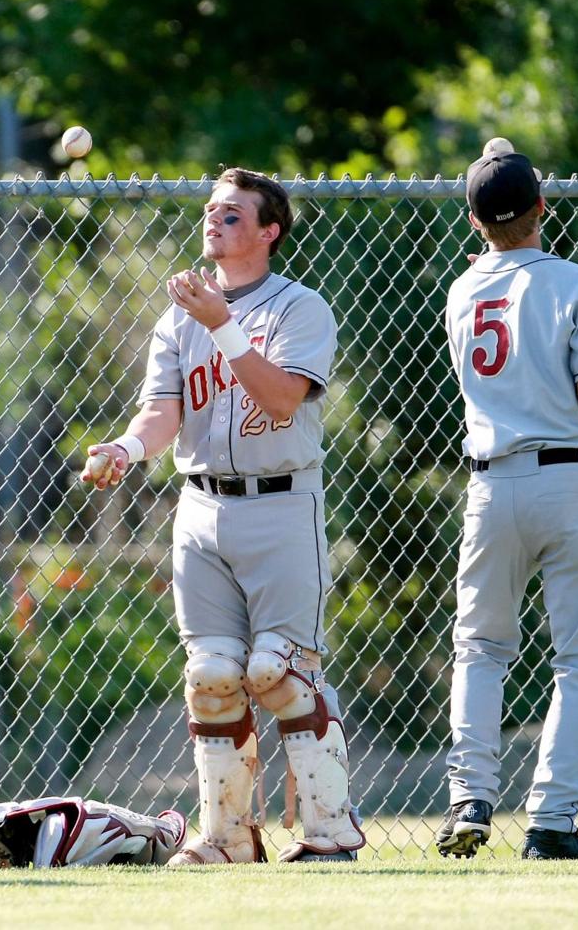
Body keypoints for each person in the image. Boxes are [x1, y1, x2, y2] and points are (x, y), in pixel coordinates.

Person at [82, 168, 366, 864]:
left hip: (281, 502)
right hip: (201, 506)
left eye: (234, 214)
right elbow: (162, 411)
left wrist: (223, 324)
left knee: (280, 671)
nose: (216, 221)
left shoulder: (299, 307)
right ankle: (228, 838)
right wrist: (125, 447)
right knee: (210, 674)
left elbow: (279, 401)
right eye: (212, 210)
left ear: (269, 231)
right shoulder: (180, 314)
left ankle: (331, 832)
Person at [436, 148, 578, 861]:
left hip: (491, 484)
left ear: (473, 221)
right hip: (570, 478)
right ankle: (550, 820)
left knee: (481, 648)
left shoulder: (462, 289)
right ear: (543, 208)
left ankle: (470, 798)